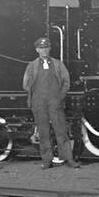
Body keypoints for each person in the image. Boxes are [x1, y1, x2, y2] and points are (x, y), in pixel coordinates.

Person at [22, 36, 80, 170]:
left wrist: (60, 97)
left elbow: (66, 81)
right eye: (41, 48)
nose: (44, 51)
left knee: (61, 131)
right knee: (43, 133)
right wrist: (36, 95)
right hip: (38, 102)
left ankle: (68, 159)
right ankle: (47, 161)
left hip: (55, 101)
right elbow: (25, 84)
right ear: (37, 50)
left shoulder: (58, 64)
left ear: (50, 49)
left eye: (46, 48)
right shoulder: (31, 66)